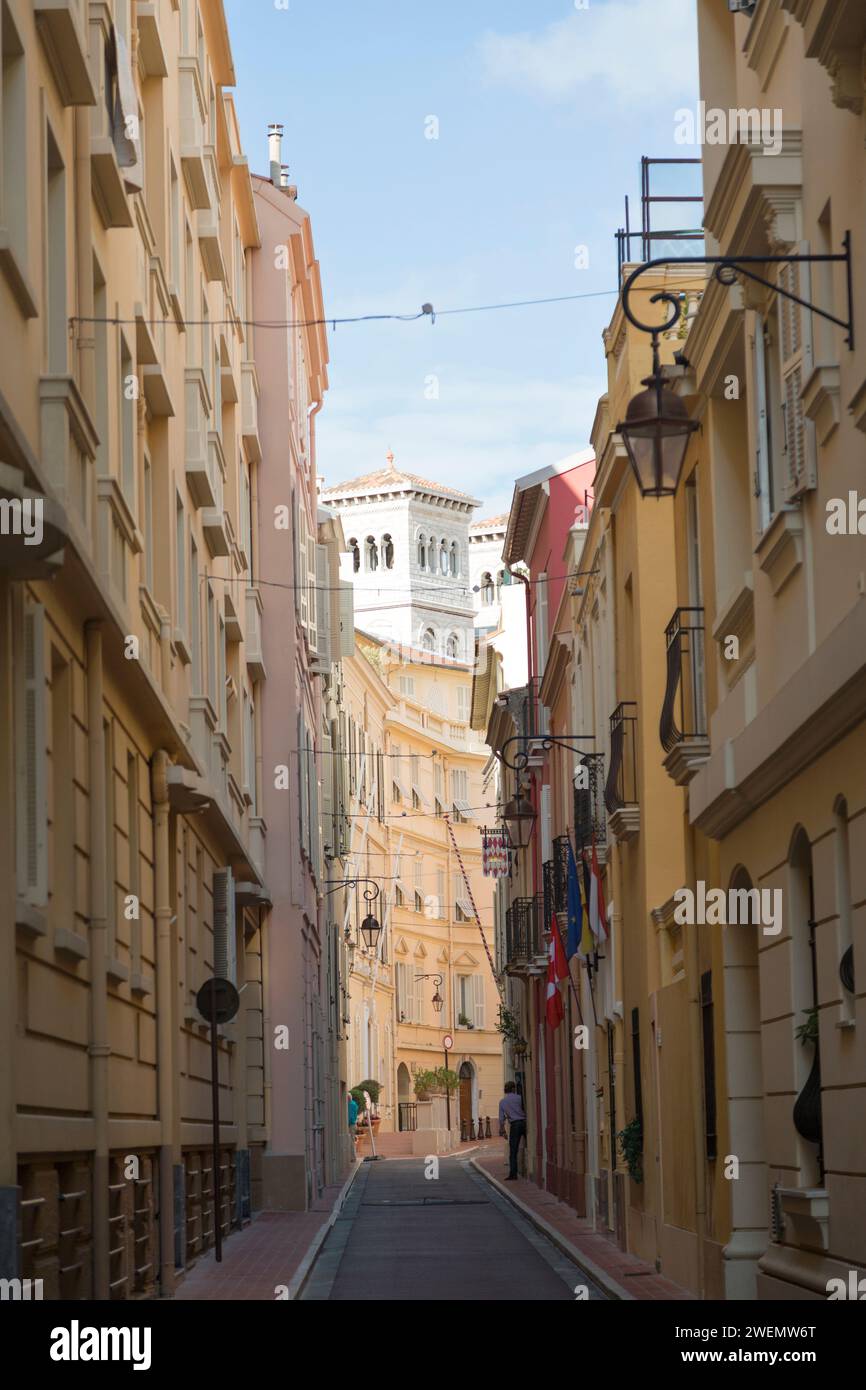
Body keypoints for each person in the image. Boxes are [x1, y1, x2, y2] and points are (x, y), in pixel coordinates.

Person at [498, 1081, 526, 1180]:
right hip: (525, 1123)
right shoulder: (520, 1098)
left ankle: (513, 1174)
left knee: (513, 1151)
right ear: (514, 1089)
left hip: (515, 1125)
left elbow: (501, 1119)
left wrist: (503, 1131)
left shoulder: (502, 1102)